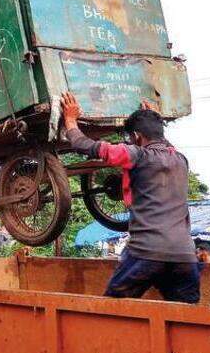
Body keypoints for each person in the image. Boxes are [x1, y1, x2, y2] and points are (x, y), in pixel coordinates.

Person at [60, 92, 201, 304]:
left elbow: (84, 145)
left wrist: (70, 120)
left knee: (113, 313)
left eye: (131, 138)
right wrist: (154, 118)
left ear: (136, 136)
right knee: (187, 321)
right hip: (184, 256)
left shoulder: (136, 154)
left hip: (146, 252)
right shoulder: (181, 160)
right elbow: (163, 143)